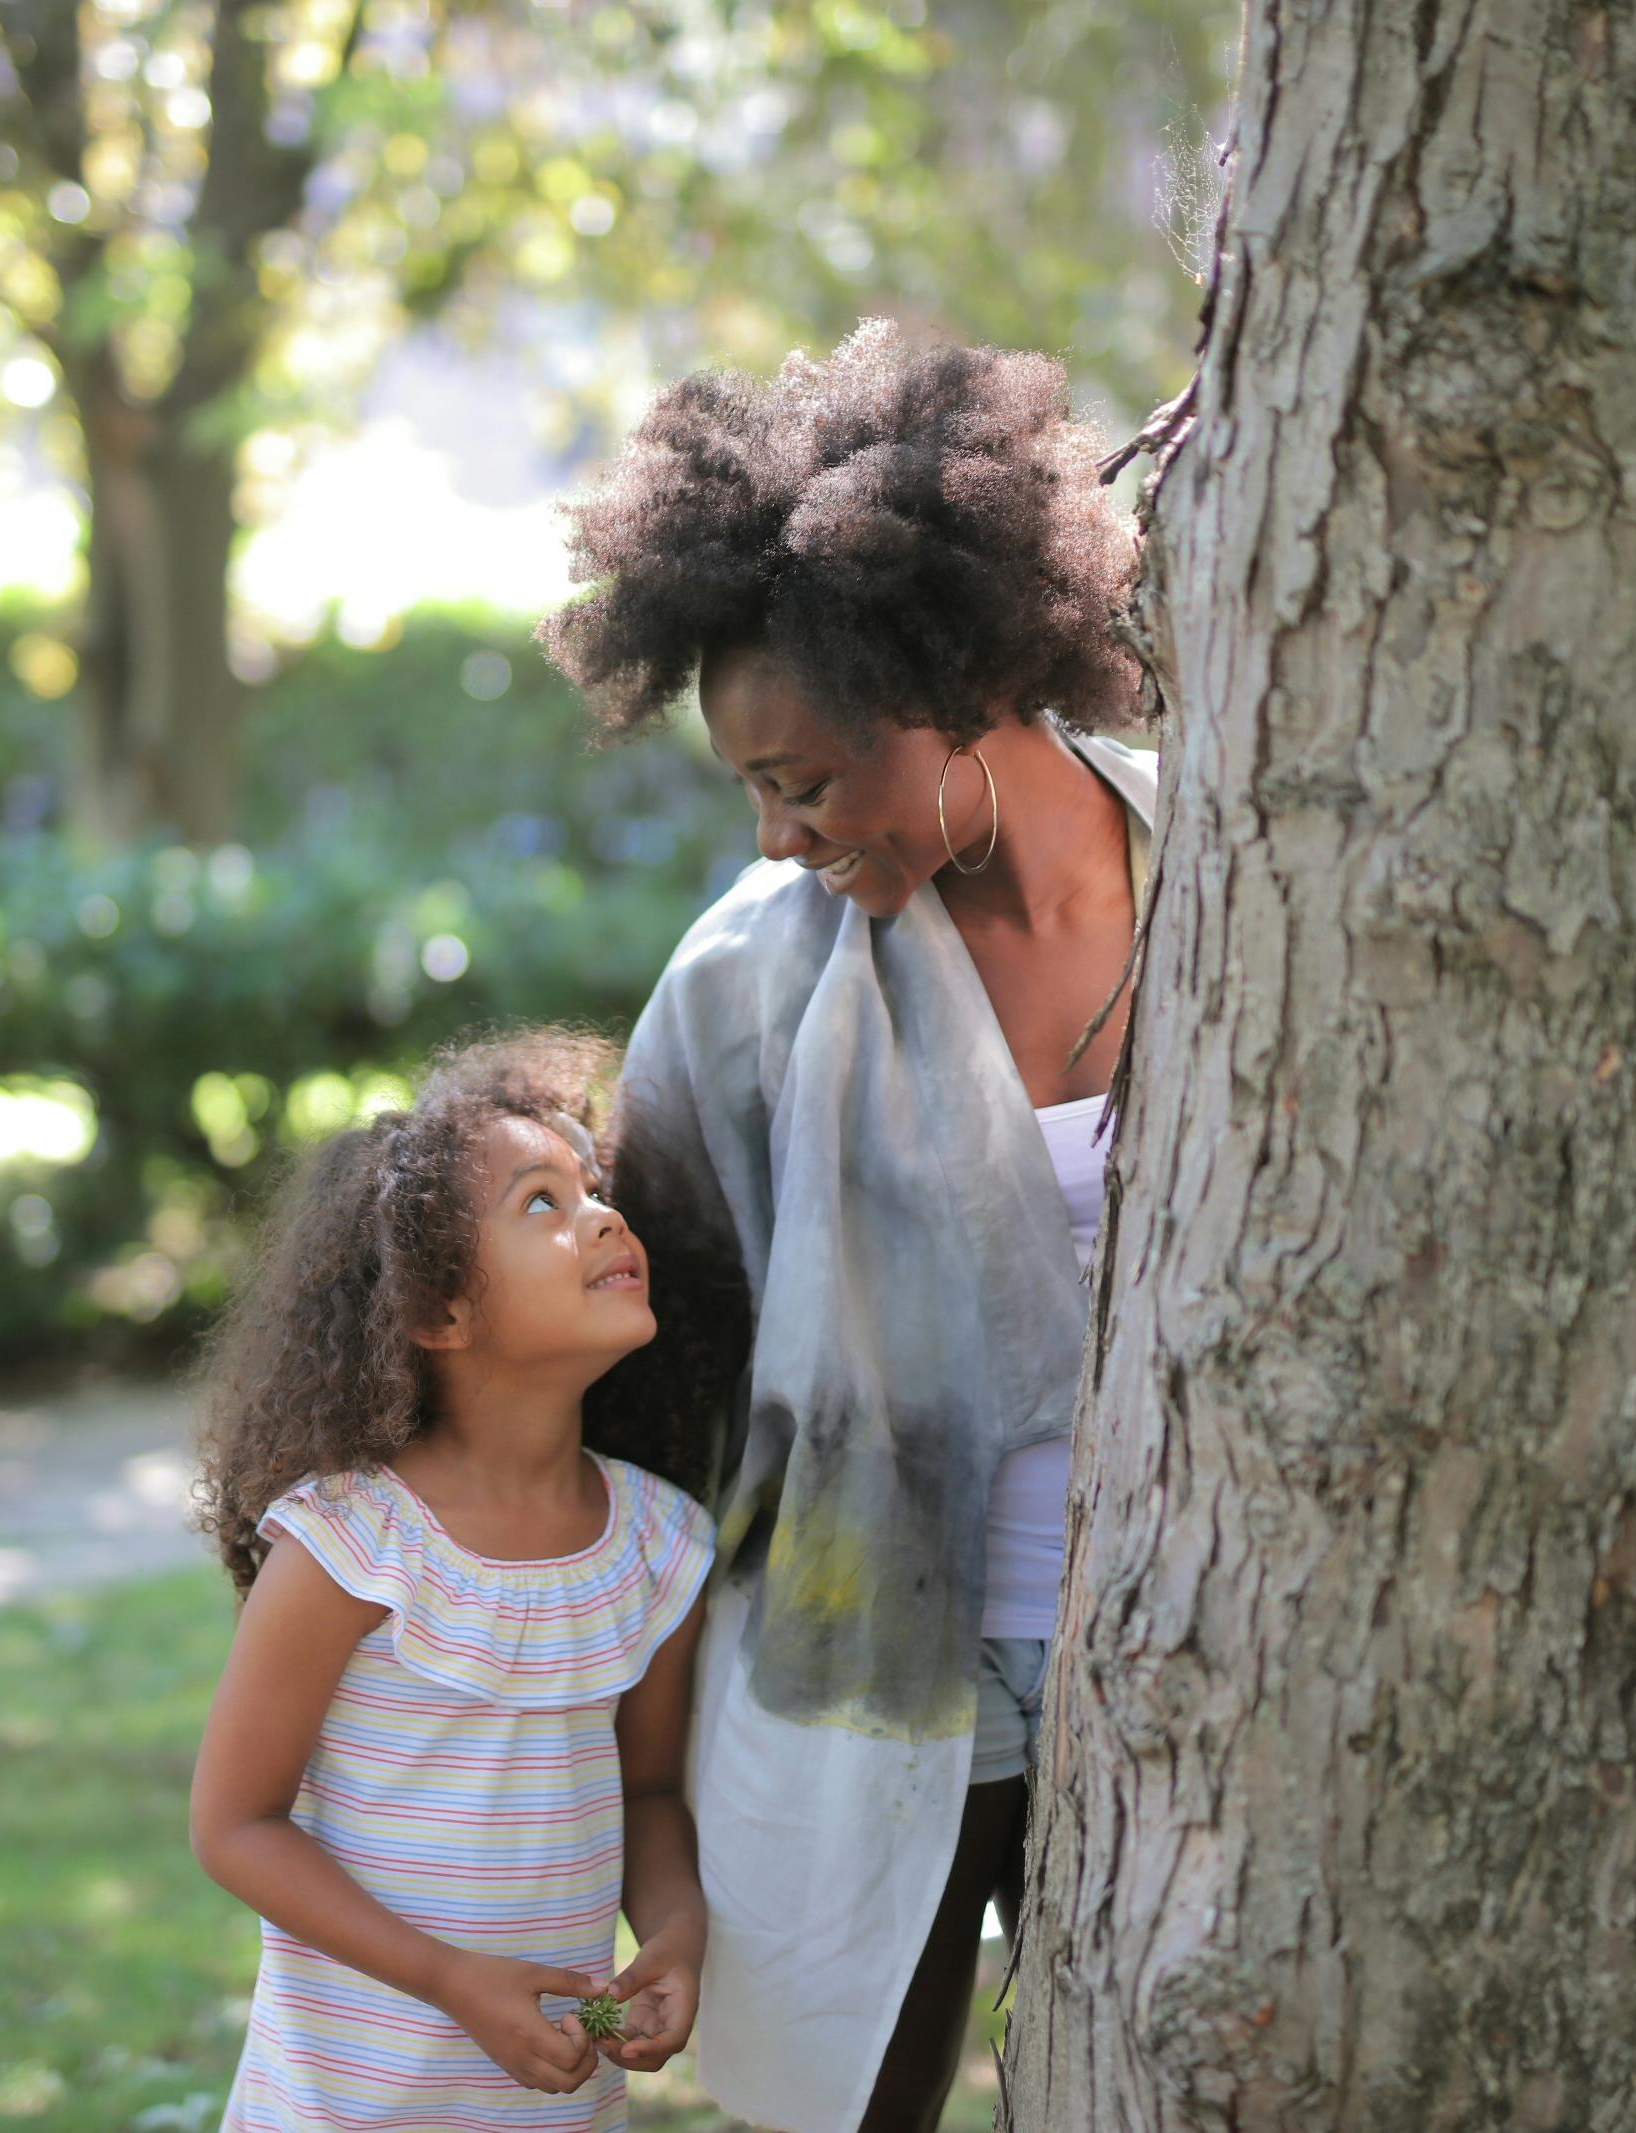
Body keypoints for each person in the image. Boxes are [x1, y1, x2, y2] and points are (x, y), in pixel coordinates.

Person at [542, 322, 1148, 2133]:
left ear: (956, 679)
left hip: (1182, 1672)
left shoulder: (1234, 881)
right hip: (873, 1691)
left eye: (806, 778)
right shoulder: (743, 982)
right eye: (748, 786)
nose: (779, 830)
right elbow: (650, 1378)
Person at [190, 1033, 719, 2132]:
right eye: (542, 1203)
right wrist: (444, 1978)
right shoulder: (351, 1544)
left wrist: (674, 1928)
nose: (604, 1217)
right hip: (344, 2107)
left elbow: (648, 1794)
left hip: (551, 2108)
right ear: (438, 1314)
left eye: (595, 1187)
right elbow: (235, 1824)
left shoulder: (659, 1547)